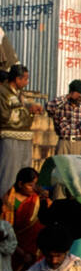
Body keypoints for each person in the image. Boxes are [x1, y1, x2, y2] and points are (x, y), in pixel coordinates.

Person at [0, 65, 41, 196]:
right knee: (9, 175)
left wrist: (32, 108)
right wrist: (26, 112)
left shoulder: (19, 94)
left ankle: (20, 207)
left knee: (24, 176)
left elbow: (22, 107)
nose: (27, 82)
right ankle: (5, 206)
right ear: (17, 79)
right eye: (26, 79)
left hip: (25, 138)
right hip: (10, 138)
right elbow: (4, 115)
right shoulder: (3, 92)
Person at [2, 166, 46, 271]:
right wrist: (21, 253)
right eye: (30, 185)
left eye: (35, 185)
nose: (33, 188)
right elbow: (5, 232)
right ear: (20, 184)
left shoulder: (36, 199)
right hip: (14, 249)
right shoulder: (7, 201)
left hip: (33, 246)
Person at [46, 80, 81, 158]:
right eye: (79, 96)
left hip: (80, 143)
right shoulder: (61, 106)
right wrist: (67, 96)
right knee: (62, 169)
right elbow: (48, 107)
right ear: (72, 93)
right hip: (64, 143)